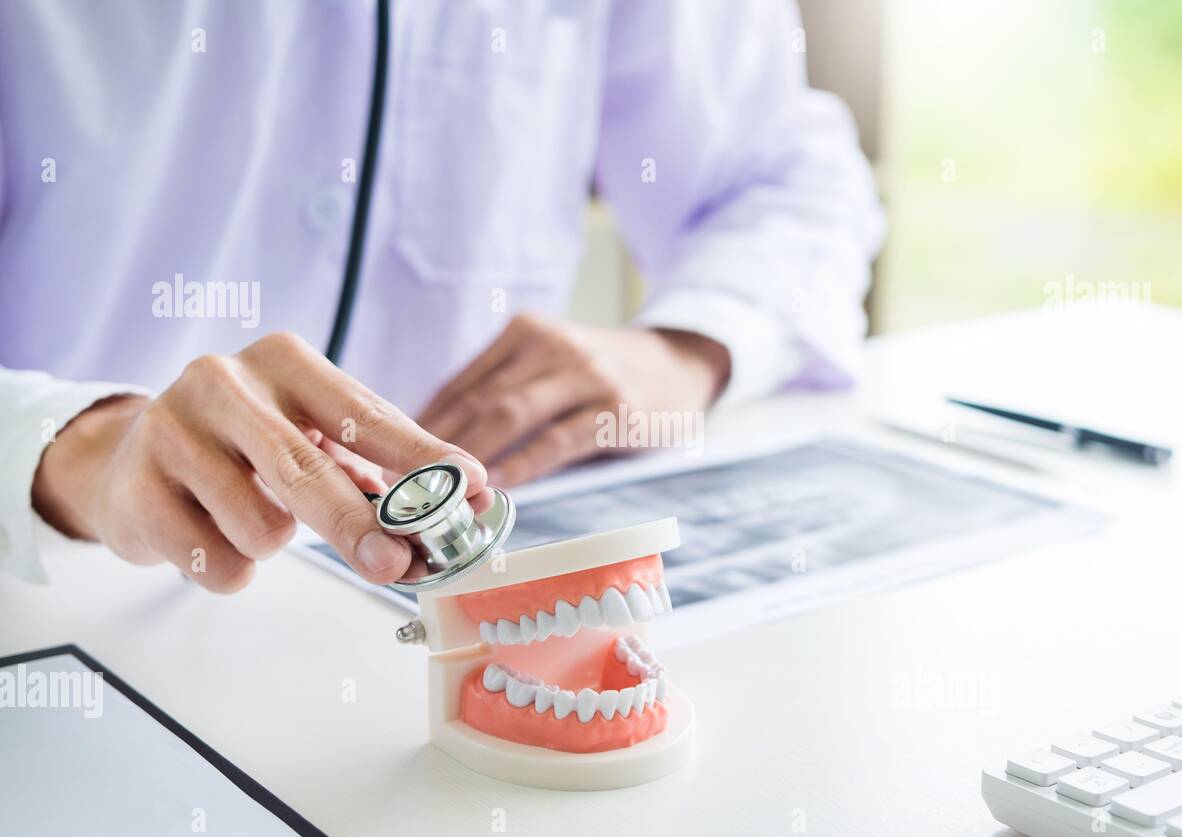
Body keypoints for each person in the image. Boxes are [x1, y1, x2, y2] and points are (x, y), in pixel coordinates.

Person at [0, 0, 884, 594]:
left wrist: (689, 345)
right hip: (59, 596)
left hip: (463, 619)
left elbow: (787, 180)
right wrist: (70, 445)